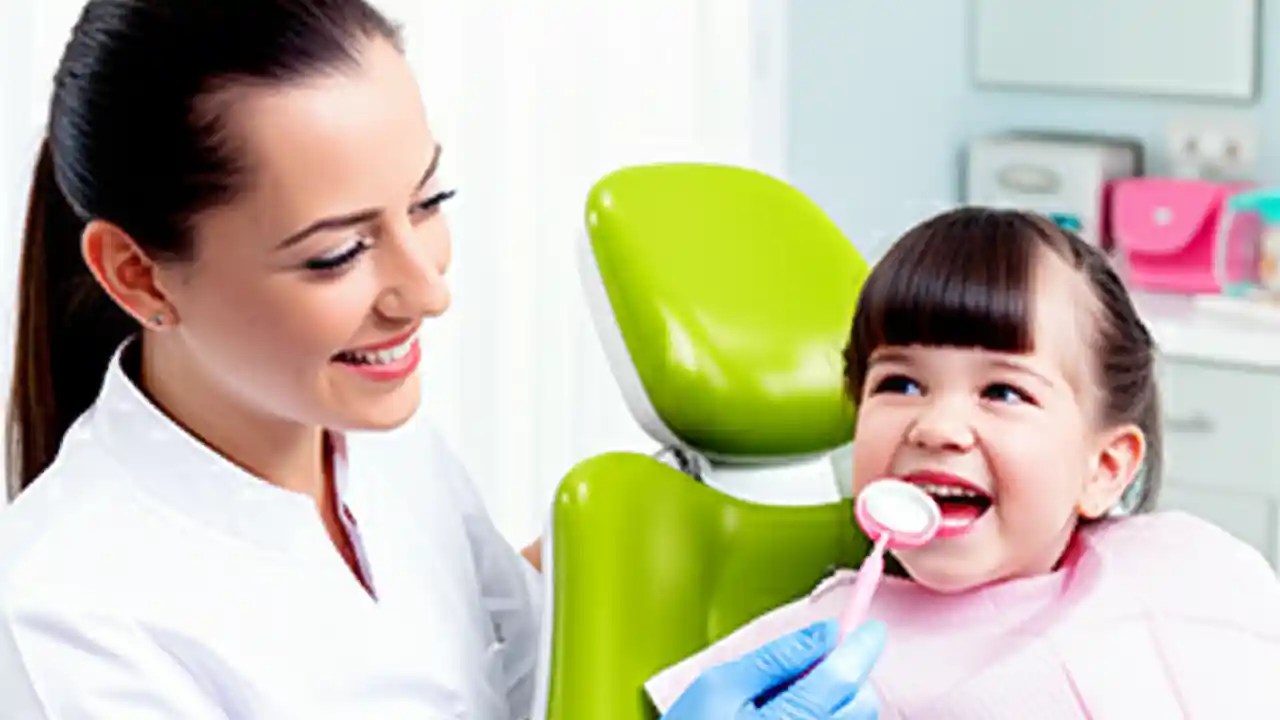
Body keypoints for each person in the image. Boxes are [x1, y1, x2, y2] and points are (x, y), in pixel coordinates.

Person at [0, 1, 882, 717]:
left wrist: (676, 524)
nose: (426, 292)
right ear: (137, 274)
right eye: (336, 254)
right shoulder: (69, 616)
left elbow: (516, 666)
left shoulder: (378, 449)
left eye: (428, 201)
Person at [647, 208, 1280, 718]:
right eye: (900, 384)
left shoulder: (1188, 572)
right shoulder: (806, 656)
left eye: (1003, 392)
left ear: (1105, 468)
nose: (937, 427)